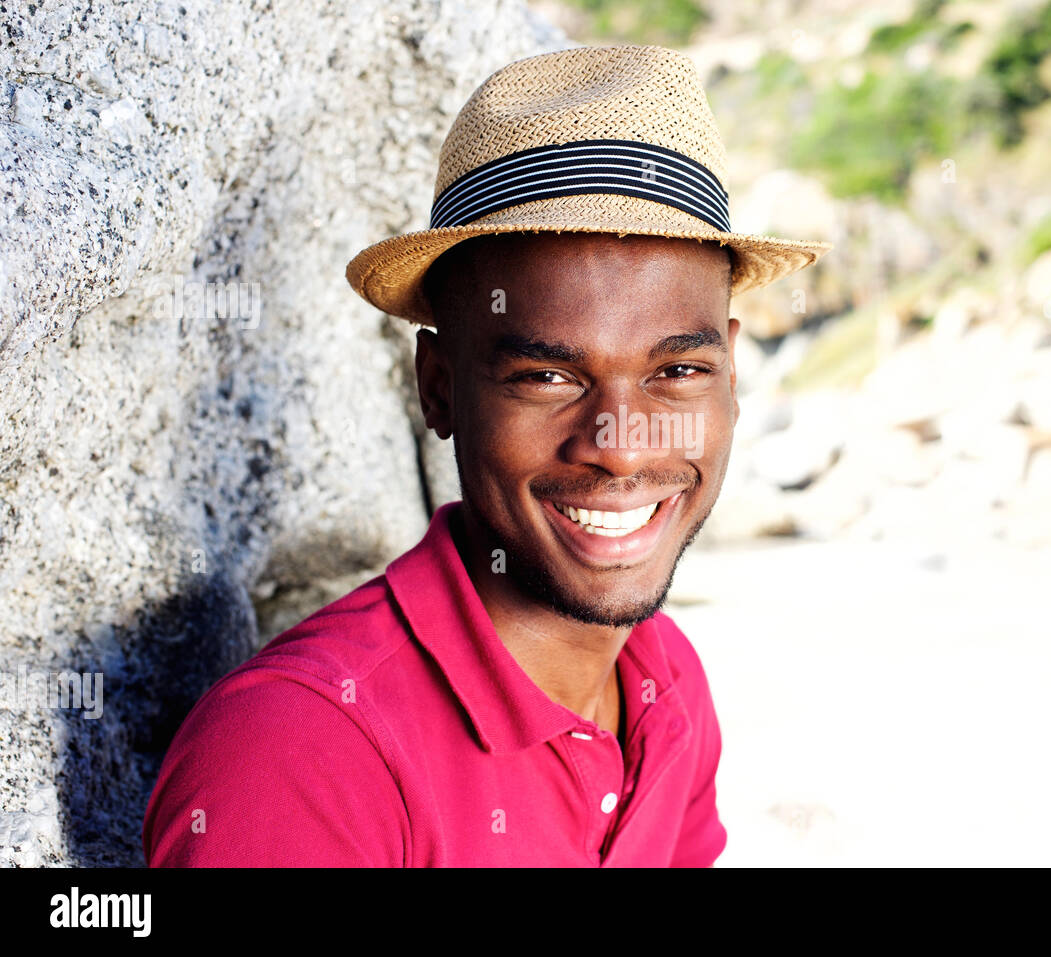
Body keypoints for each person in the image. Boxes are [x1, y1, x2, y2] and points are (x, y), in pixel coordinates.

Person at [142, 42, 830, 867]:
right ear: (438, 387)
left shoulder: (665, 683)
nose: (618, 448)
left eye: (677, 371)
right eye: (546, 375)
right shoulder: (299, 758)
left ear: (730, 373)